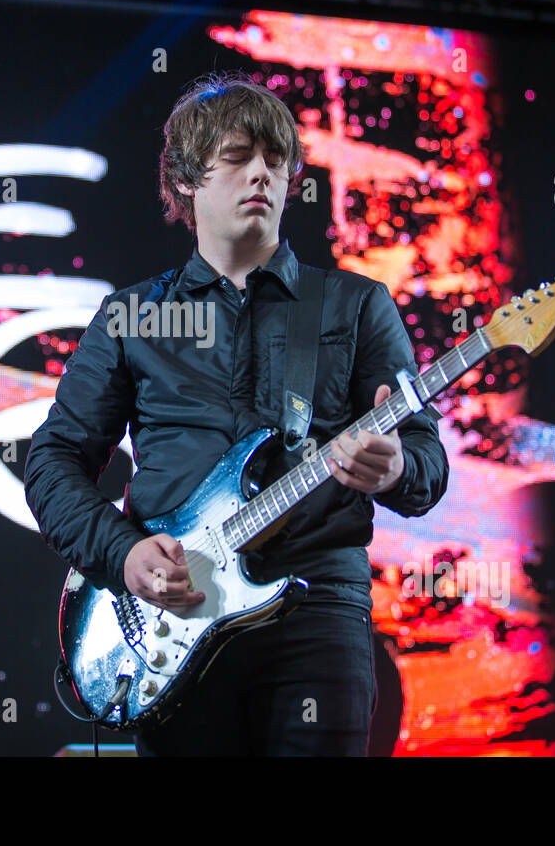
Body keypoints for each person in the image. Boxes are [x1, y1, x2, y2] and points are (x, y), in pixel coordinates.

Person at [24, 72, 449, 755]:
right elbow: (52, 462)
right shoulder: (135, 316)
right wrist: (124, 553)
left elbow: (427, 466)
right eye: (238, 156)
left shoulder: (356, 305)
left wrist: (396, 466)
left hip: (318, 608)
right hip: (174, 617)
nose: (262, 173)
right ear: (187, 178)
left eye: (276, 160)